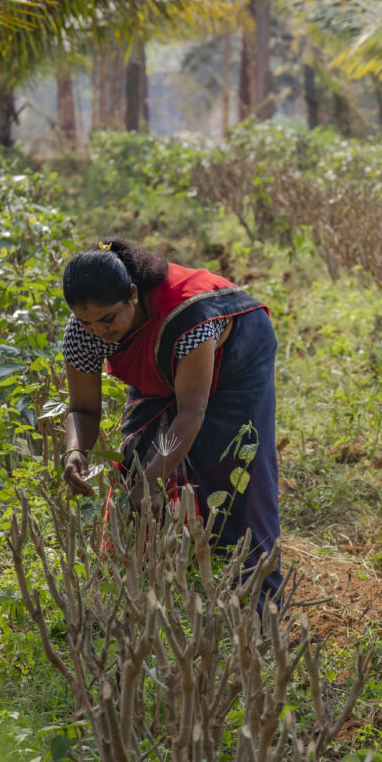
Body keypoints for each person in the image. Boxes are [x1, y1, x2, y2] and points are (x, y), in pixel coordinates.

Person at [58, 237, 280, 580]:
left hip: (238, 351)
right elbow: (83, 409)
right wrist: (75, 452)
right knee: (138, 455)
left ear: (133, 295)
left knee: (231, 464)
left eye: (108, 319)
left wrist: (150, 483)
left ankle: (252, 590)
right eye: (87, 323)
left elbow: (191, 411)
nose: (100, 332)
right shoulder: (85, 332)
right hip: (167, 358)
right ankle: (167, 581)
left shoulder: (187, 316)